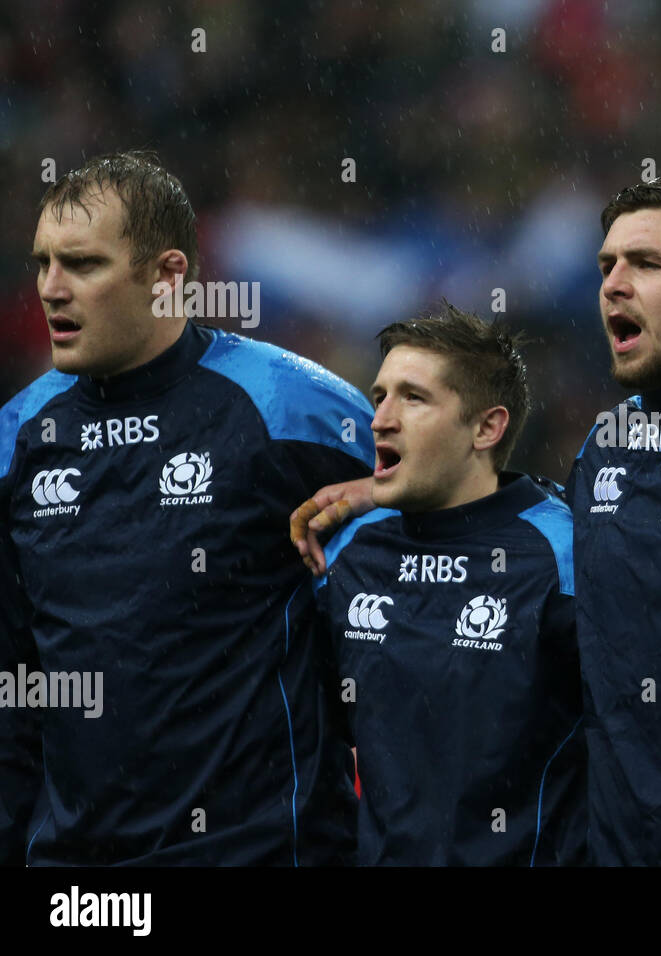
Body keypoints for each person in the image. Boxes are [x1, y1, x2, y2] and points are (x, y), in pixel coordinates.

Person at [293, 174, 661, 865]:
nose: (614, 283)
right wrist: (407, 488)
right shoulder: (608, 442)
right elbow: (539, 537)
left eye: (648, 264)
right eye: (607, 264)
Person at [0, 151, 372, 865]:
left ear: (168, 277)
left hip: (263, 854)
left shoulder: (296, 413)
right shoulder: (19, 439)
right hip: (83, 885)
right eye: (41, 262)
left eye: (82, 264)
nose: (50, 289)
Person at [312, 306, 585, 865]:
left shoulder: (566, 554)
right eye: (380, 394)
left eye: (413, 398)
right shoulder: (348, 549)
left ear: (487, 428)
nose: (381, 418)